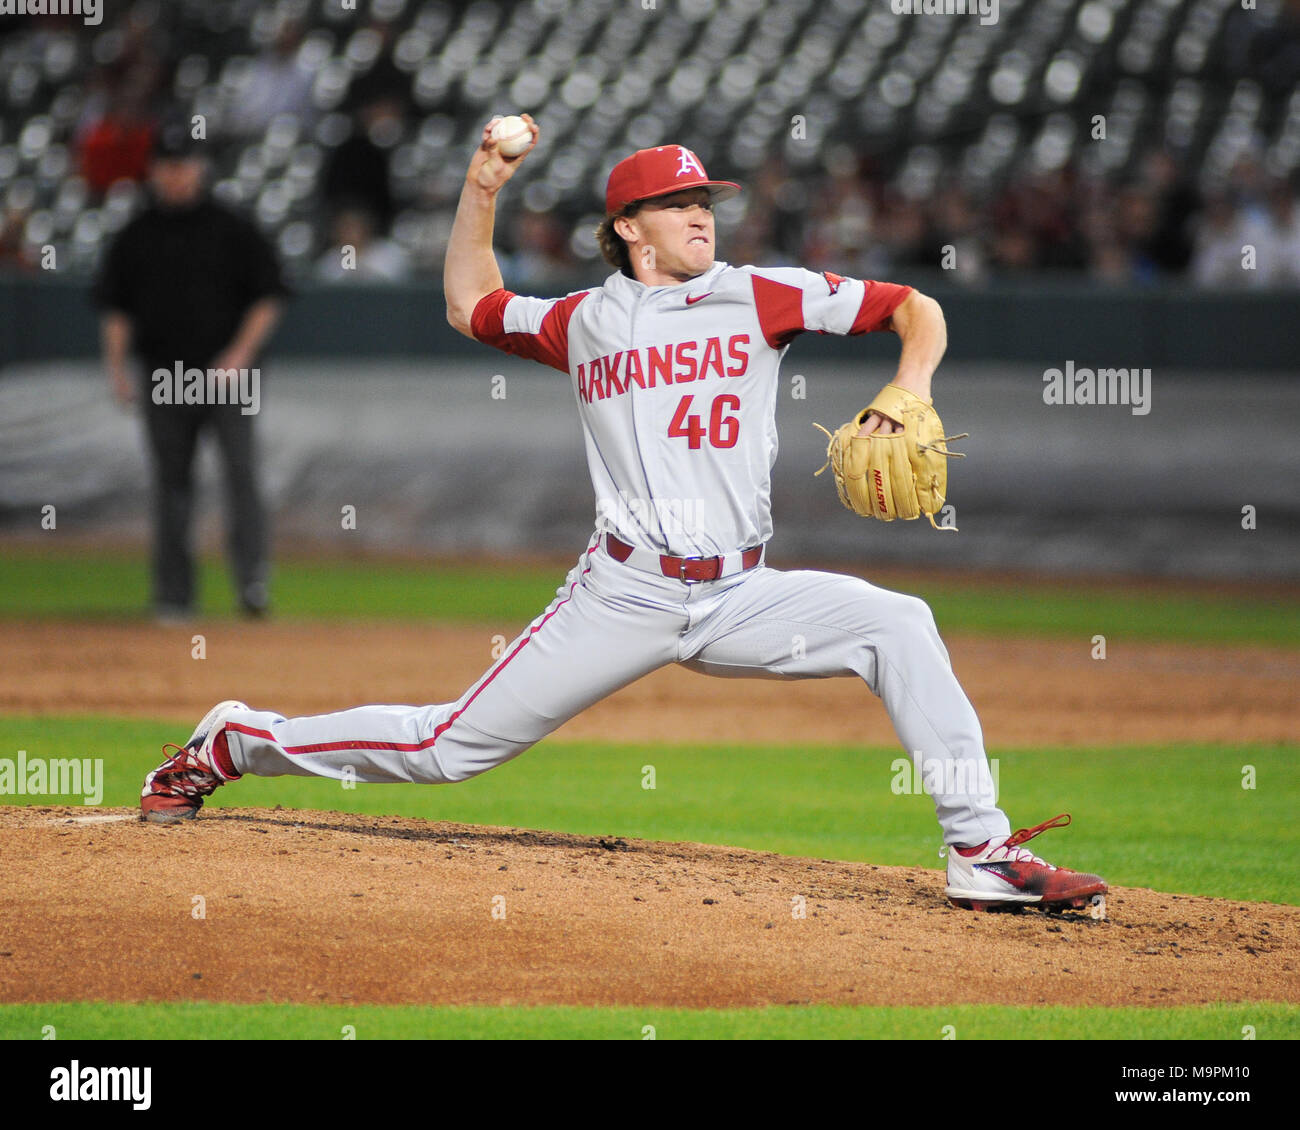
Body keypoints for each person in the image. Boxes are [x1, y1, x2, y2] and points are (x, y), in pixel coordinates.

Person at [140, 118, 1107, 915]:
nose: (702, 216)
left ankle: (977, 849)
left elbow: (916, 306)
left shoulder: (759, 295)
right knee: (448, 750)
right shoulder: (584, 321)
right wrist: (483, 186)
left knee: (900, 623)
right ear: (629, 228)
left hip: (741, 591)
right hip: (625, 590)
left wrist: (911, 387)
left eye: (707, 203)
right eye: (680, 204)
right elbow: (469, 301)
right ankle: (236, 740)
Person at [96, 116, 288, 620]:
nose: (177, 174)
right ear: (155, 170)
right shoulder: (137, 233)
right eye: (168, 165)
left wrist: (240, 354)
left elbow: (269, 295)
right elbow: (116, 308)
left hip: (230, 376)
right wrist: (116, 369)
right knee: (171, 484)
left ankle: (252, 587)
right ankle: (174, 598)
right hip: (164, 374)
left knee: (241, 478)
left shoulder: (232, 226)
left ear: (200, 168)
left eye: (184, 165)